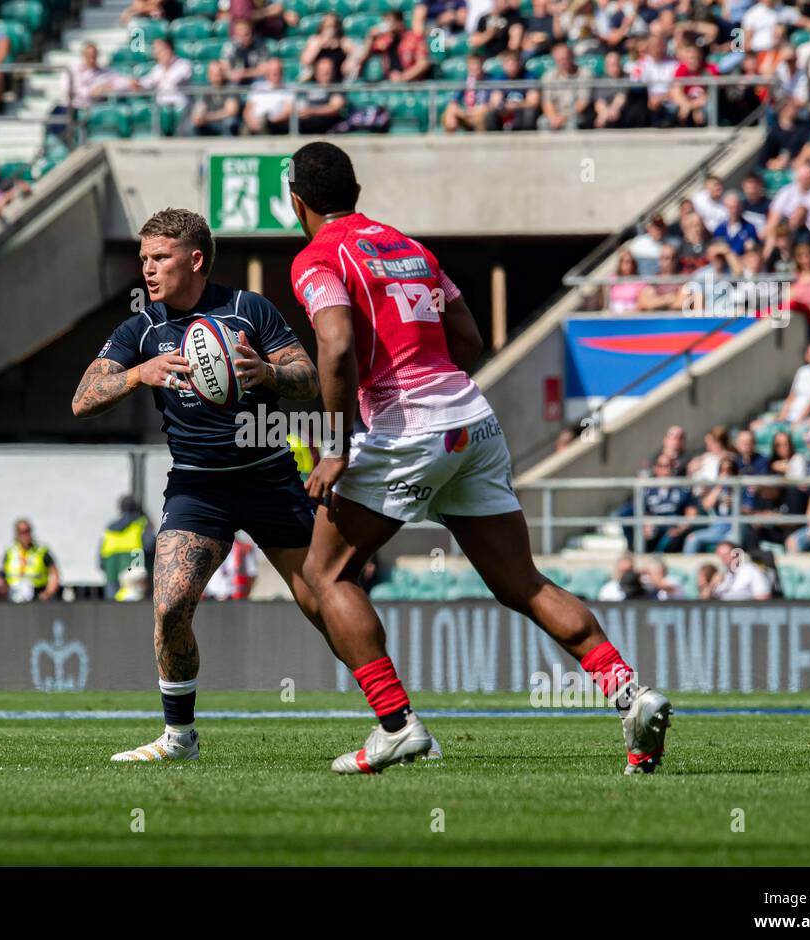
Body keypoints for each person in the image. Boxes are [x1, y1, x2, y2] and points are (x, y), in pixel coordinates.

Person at [286, 141, 672, 775]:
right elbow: (468, 337)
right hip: (469, 419)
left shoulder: (316, 258)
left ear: (296, 202)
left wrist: (335, 447)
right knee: (524, 583)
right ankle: (630, 690)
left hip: (403, 428)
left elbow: (334, 345)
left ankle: (397, 725)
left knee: (323, 579)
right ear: (356, 192)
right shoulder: (411, 248)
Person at [72, 207, 326, 763]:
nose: (148, 269)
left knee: (327, 601)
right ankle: (178, 739)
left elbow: (308, 379)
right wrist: (140, 373)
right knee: (169, 608)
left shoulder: (246, 309)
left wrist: (269, 373)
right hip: (197, 488)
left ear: (195, 260)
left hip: (269, 478)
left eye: (159, 258)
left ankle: (396, 718)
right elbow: (82, 399)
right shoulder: (142, 328)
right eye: (143, 259)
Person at [100, 495, 156, 599]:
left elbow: (100, 562)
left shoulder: (109, 529)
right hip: (136, 578)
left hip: (112, 578)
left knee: (113, 610)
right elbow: (150, 546)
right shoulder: (141, 524)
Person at [3, 518, 60, 602]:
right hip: (13, 595)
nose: (25, 535)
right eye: (21, 532)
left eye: (27, 531)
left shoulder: (41, 551)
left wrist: (47, 593)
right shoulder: (10, 552)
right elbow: (3, 573)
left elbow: (54, 574)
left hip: (37, 595)